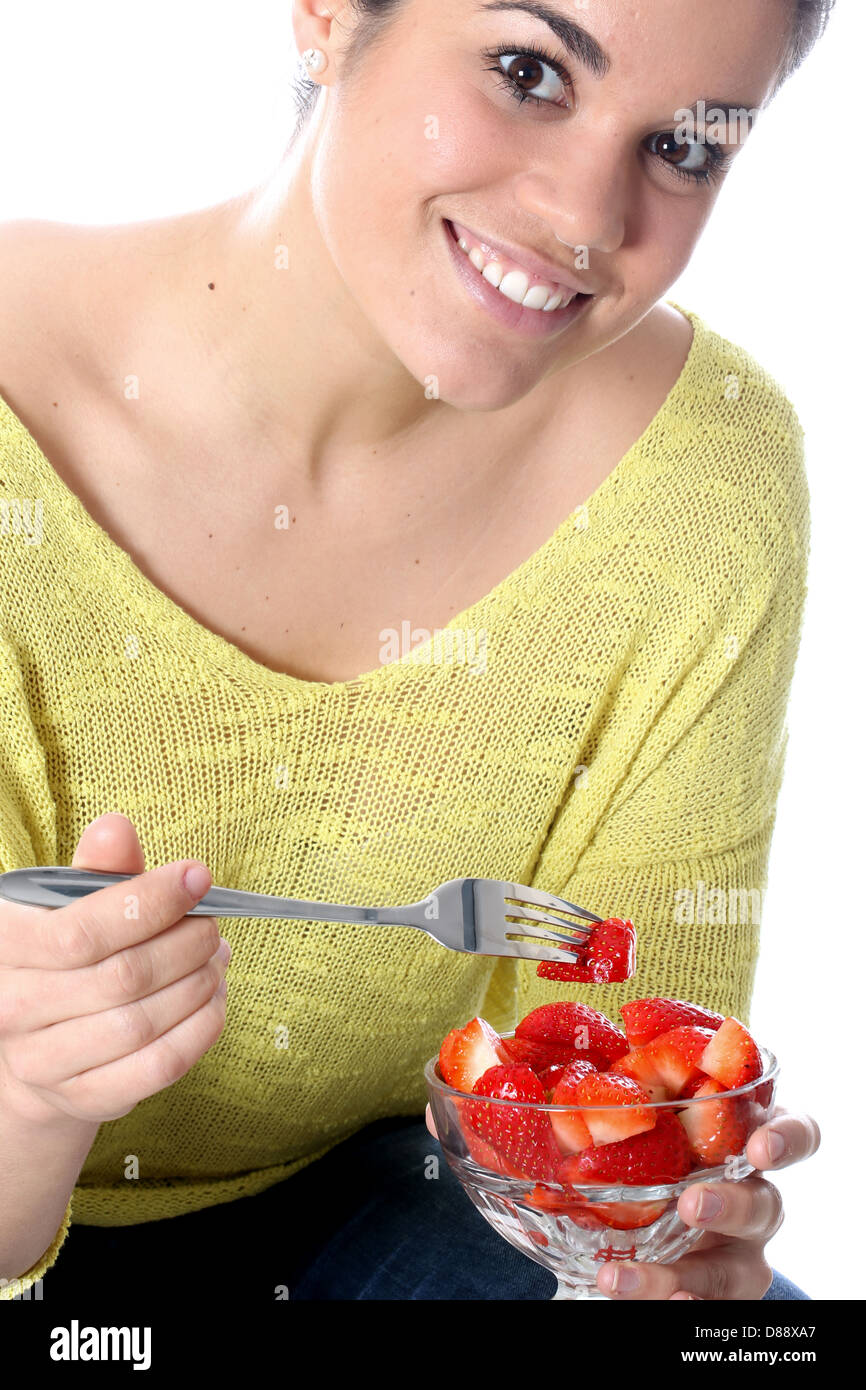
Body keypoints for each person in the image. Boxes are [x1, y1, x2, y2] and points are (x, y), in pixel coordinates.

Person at [0, 0, 831, 1302]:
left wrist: (648, 1245)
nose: (586, 215)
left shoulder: (704, 476)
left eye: (681, 145)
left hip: (388, 1201)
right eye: (526, 70)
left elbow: (612, 1081)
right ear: (326, 15)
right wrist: (28, 1091)